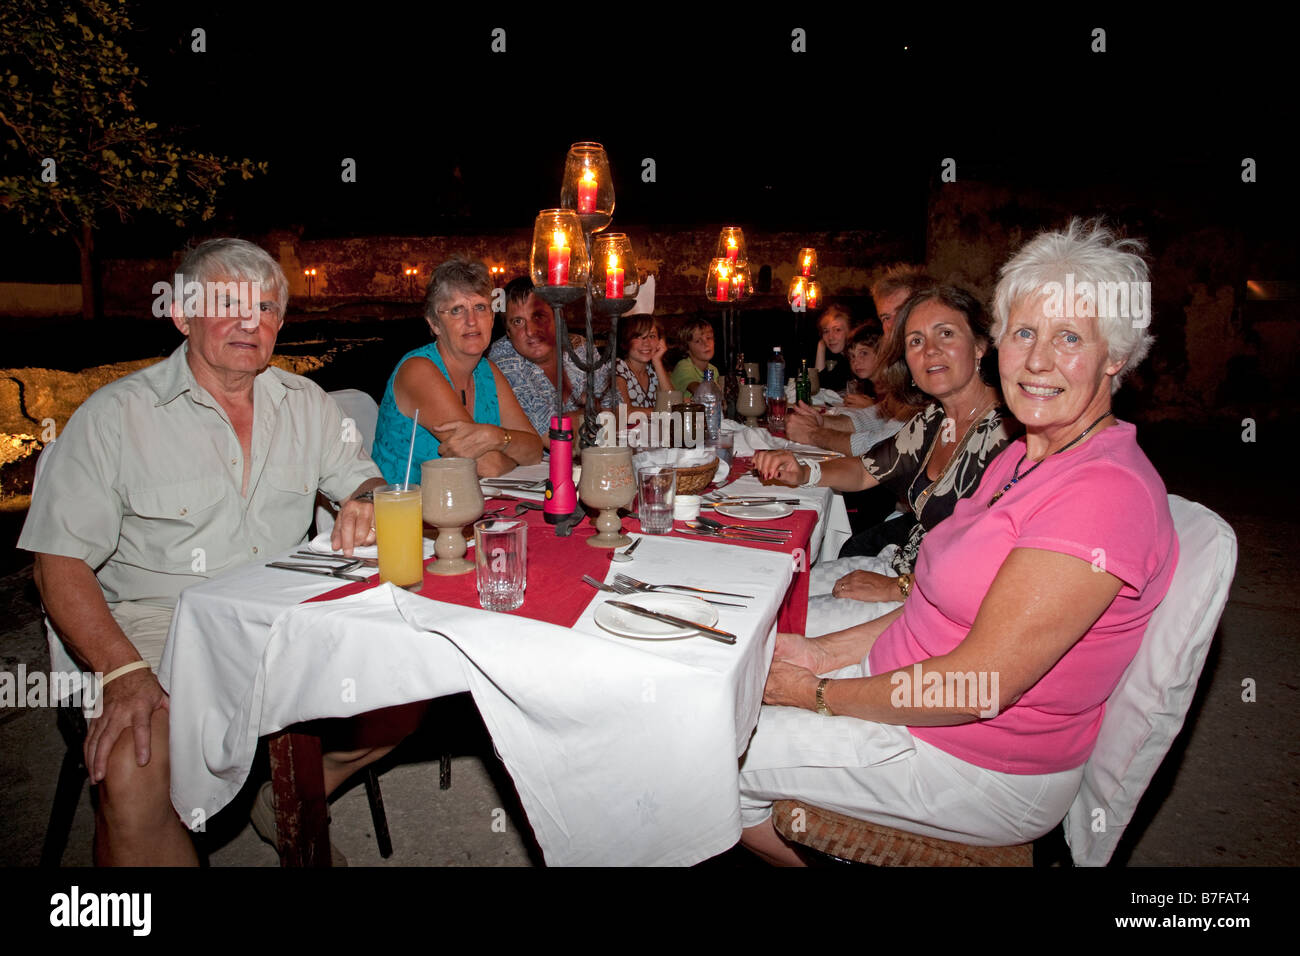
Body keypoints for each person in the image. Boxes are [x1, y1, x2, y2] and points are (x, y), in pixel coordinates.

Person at [738, 220, 1177, 865]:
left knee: (710, 751)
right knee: (732, 683)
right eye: (1024, 333)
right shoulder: (1029, 454)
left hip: (977, 760)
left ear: (1114, 355)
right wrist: (818, 652)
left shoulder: (1103, 493)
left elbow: (976, 687)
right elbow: (933, 609)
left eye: (1069, 339)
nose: (1036, 361)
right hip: (912, 690)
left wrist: (817, 693)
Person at [18, 238, 411, 865]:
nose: (247, 321)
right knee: (133, 762)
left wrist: (367, 495)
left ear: (279, 324)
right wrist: (121, 672)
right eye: (225, 303)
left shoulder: (305, 403)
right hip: (157, 627)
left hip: (278, 613)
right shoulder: (115, 417)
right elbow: (56, 562)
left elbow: (361, 479)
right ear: (181, 314)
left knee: (414, 687)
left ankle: (280, 797)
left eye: (263, 308)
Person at [756, 285, 1020, 605]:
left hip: (932, 599)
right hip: (898, 564)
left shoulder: (1011, 433)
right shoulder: (934, 419)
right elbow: (866, 470)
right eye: (916, 341)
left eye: (946, 333)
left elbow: (998, 561)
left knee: (781, 623)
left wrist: (899, 588)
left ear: (980, 346)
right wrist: (803, 471)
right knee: (765, 591)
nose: (930, 350)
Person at [372, 257, 542, 482]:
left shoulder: (487, 371)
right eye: (456, 310)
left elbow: (535, 450)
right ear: (434, 324)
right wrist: (510, 449)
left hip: (464, 507)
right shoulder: (418, 371)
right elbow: (486, 465)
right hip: (404, 511)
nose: (472, 321)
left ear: (491, 318)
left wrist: (497, 438)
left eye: (480, 307)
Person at [487, 277, 613, 445]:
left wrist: (589, 416)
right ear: (508, 332)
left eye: (538, 317)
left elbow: (618, 409)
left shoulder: (580, 347)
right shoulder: (503, 361)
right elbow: (551, 437)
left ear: (558, 316)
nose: (530, 331)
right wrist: (596, 410)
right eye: (518, 321)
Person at [784, 321, 923, 459]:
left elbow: (876, 447)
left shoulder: (914, 396)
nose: (856, 361)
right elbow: (867, 419)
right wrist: (821, 421)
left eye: (864, 353)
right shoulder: (890, 393)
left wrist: (812, 434)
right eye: (852, 357)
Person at [614, 313, 672, 417]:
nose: (647, 343)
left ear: (660, 341)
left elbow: (672, 402)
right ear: (625, 341)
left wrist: (657, 361)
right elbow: (625, 413)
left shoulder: (652, 370)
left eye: (652, 336)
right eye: (638, 336)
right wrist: (663, 412)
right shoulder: (617, 368)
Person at [669, 317, 720, 395]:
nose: (706, 344)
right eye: (698, 341)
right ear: (686, 348)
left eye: (709, 338)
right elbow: (695, 388)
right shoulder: (683, 366)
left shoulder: (713, 369)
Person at [812, 304, 854, 393]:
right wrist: (821, 346)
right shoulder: (843, 359)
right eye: (826, 331)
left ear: (850, 331)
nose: (830, 337)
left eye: (837, 330)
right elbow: (822, 387)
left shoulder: (857, 359)